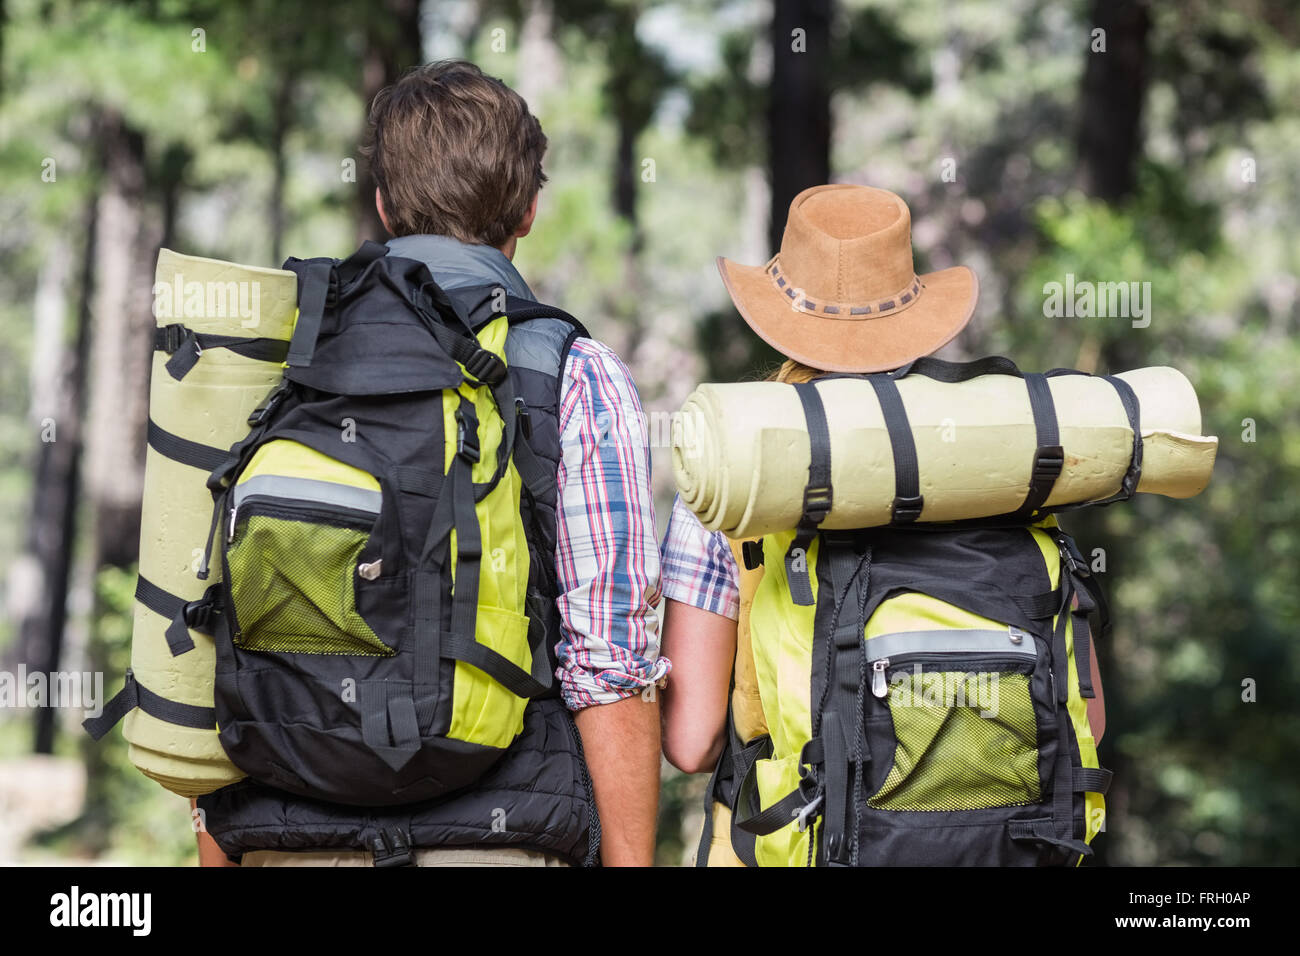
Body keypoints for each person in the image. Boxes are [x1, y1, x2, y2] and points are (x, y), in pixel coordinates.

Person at [194, 59, 668, 867]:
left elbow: (215, 618)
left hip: (280, 835)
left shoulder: (286, 361)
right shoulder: (571, 372)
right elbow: (607, 666)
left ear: (381, 204)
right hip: (493, 836)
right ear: (528, 209)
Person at [659, 184, 1105, 865]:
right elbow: (1086, 722)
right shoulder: (1001, 461)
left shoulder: (733, 477)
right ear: (916, 311)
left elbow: (692, 743)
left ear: (777, 310)